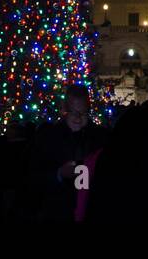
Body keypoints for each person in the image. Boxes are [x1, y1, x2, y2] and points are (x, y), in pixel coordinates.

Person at [28, 85, 103, 222]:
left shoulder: (98, 138)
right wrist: (59, 174)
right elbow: (33, 177)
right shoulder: (48, 137)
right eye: (75, 113)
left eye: (84, 113)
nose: (79, 119)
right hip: (57, 212)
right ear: (65, 110)